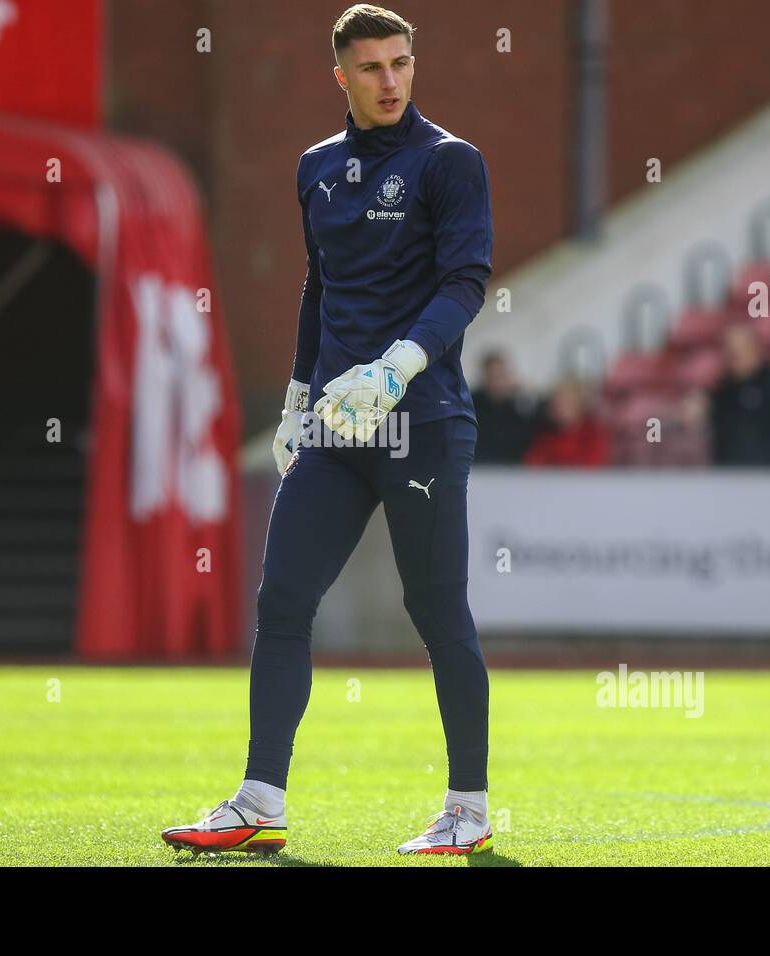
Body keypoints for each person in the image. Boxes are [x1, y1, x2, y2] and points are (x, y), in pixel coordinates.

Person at [162, 4, 495, 857]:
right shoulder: (315, 168)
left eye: (402, 63)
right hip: (338, 427)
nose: (390, 80)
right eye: (372, 67)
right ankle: (259, 799)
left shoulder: (449, 162)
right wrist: (297, 394)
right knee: (280, 601)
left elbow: (464, 284)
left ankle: (468, 807)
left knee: (437, 612)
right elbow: (320, 286)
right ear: (339, 76)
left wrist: (398, 366)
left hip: (419, 418)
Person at [708, 323, 770, 466]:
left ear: (755, 349)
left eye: (740, 349)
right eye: (730, 349)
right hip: (725, 479)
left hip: (767, 478)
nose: (734, 355)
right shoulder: (720, 392)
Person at [523, 377, 610, 467]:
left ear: (579, 404)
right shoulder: (543, 436)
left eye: (567, 402)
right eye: (557, 403)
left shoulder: (594, 434)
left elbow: (592, 467)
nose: (561, 408)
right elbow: (533, 465)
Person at [471, 348, 539, 463]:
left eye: (501, 375)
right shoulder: (472, 405)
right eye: (492, 376)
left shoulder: (522, 405)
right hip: (480, 470)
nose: (497, 382)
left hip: (516, 472)